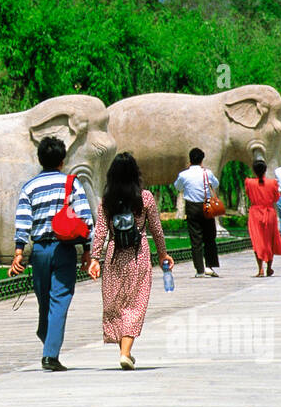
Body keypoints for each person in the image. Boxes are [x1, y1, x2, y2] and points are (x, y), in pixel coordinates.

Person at [10, 136, 94, 371]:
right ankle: (50, 355)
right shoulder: (71, 183)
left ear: (40, 159)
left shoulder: (29, 187)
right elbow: (86, 217)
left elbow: (23, 221)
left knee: (45, 300)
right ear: (62, 160)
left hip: (39, 251)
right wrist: (88, 251)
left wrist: (18, 252)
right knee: (59, 301)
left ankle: (48, 342)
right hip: (64, 249)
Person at [88, 152, 170, 370]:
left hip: (114, 255)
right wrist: (162, 254)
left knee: (117, 304)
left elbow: (101, 232)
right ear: (136, 173)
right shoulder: (145, 198)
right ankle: (125, 352)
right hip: (138, 253)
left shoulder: (107, 201)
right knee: (135, 304)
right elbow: (156, 230)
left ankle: (126, 352)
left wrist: (95, 258)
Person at [173, 148, 221, 277]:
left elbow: (177, 187)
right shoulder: (207, 173)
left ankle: (199, 270)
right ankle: (209, 266)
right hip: (207, 206)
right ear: (202, 159)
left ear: (190, 159)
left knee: (196, 239)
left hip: (192, 208)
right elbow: (215, 184)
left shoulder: (184, 174)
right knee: (210, 237)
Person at [246, 160, 281, 276]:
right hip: (269, 213)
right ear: (265, 170)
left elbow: (248, 194)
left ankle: (260, 268)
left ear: (254, 171)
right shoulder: (272, 183)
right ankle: (269, 267)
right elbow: (276, 198)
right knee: (270, 240)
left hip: (255, 213)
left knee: (257, 241)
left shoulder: (249, 182)